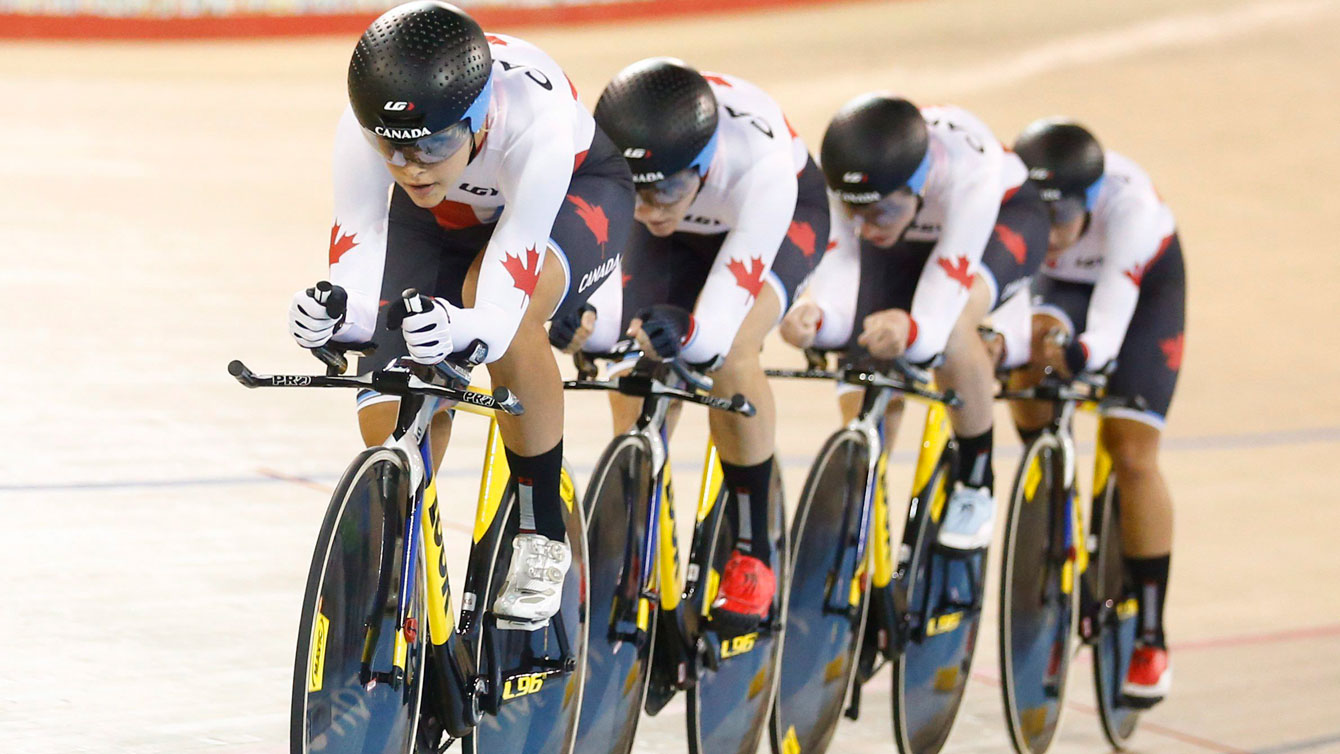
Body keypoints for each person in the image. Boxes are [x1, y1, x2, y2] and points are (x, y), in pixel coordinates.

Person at [285, 0, 633, 630]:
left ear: (480, 119)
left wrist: (464, 327)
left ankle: (542, 534)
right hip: (443, 218)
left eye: (433, 144)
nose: (412, 166)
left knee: (496, 310)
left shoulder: (537, 124)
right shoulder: (368, 125)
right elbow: (361, 240)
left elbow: (497, 303)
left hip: (572, 197)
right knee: (392, 405)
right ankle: (402, 564)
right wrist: (337, 313)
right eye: (392, 149)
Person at [565, 58, 829, 635]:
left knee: (731, 351)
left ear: (704, 164)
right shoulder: (623, 179)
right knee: (635, 362)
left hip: (778, 223)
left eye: (665, 190)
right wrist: (581, 319)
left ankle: (755, 549)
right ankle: (634, 531)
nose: (649, 209)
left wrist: (687, 333)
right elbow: (596, 271)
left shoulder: (758, 167)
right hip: (679, 238)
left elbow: (712, 334)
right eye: (637, 192)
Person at [781, 93, 1049, 551]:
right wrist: (816, 319)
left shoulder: (970, 170)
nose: (866, 227)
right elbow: (841, 291)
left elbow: (937, 317)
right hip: (907, 235)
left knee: (953, 326)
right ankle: (863, 508)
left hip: (1001, 223)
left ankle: (975, 481)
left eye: (877, 213)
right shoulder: (851, 185)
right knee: (866, 362)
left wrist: (913, 329)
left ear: (918, 185)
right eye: (854, 213)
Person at [1009, 118, 1184, 706]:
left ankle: (1152, 637)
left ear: (1090, 201)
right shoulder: (1018, 206)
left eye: (1061, 218)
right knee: (1028, 360)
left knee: (1131, 453)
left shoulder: (1130, 210)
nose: (1050, 233)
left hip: (1141, 293)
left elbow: (1108, 328)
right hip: (1059, 290)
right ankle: (1049, 482)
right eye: (1040, 219)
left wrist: (1082, 357)